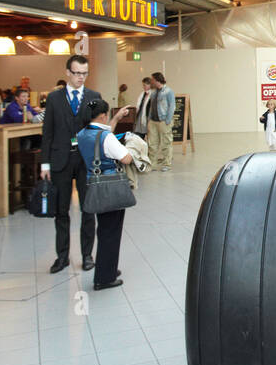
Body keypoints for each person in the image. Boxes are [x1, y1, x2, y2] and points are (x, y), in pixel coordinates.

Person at [40, 54, 120, 274]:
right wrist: (44, 164)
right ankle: (62, 256)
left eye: (84, 73)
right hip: (60, 161)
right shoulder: (54, 98)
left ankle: (87, 255)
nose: (80, 78)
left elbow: (99, 130)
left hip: (87, 161)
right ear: (68, 72)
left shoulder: (94, 97)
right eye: (76, 73)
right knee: (61, 211)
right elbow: (47, 132)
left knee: (88, 209)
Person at [77, 100, 134, 291]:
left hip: (94, 185)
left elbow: (100, 135)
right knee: (112, 232)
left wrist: (117, 119)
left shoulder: (82, 134)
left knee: (104, 230)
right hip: (111, 188)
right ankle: (104, 278)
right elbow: (125, 157)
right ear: (102, 115)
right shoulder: (106, 137)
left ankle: (106, 269)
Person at [147, 71, 176, 171]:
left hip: (163, 121)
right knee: (152, 144)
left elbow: (172, 106)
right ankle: (152, 164)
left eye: (152, 80)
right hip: (153, 121)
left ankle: (166, 164)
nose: (151, 82)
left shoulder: (168, 91)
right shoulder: (153, 93)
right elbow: (151, 107)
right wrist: (149, 119)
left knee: (166, 143)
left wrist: (167, 120)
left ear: (157, 80)